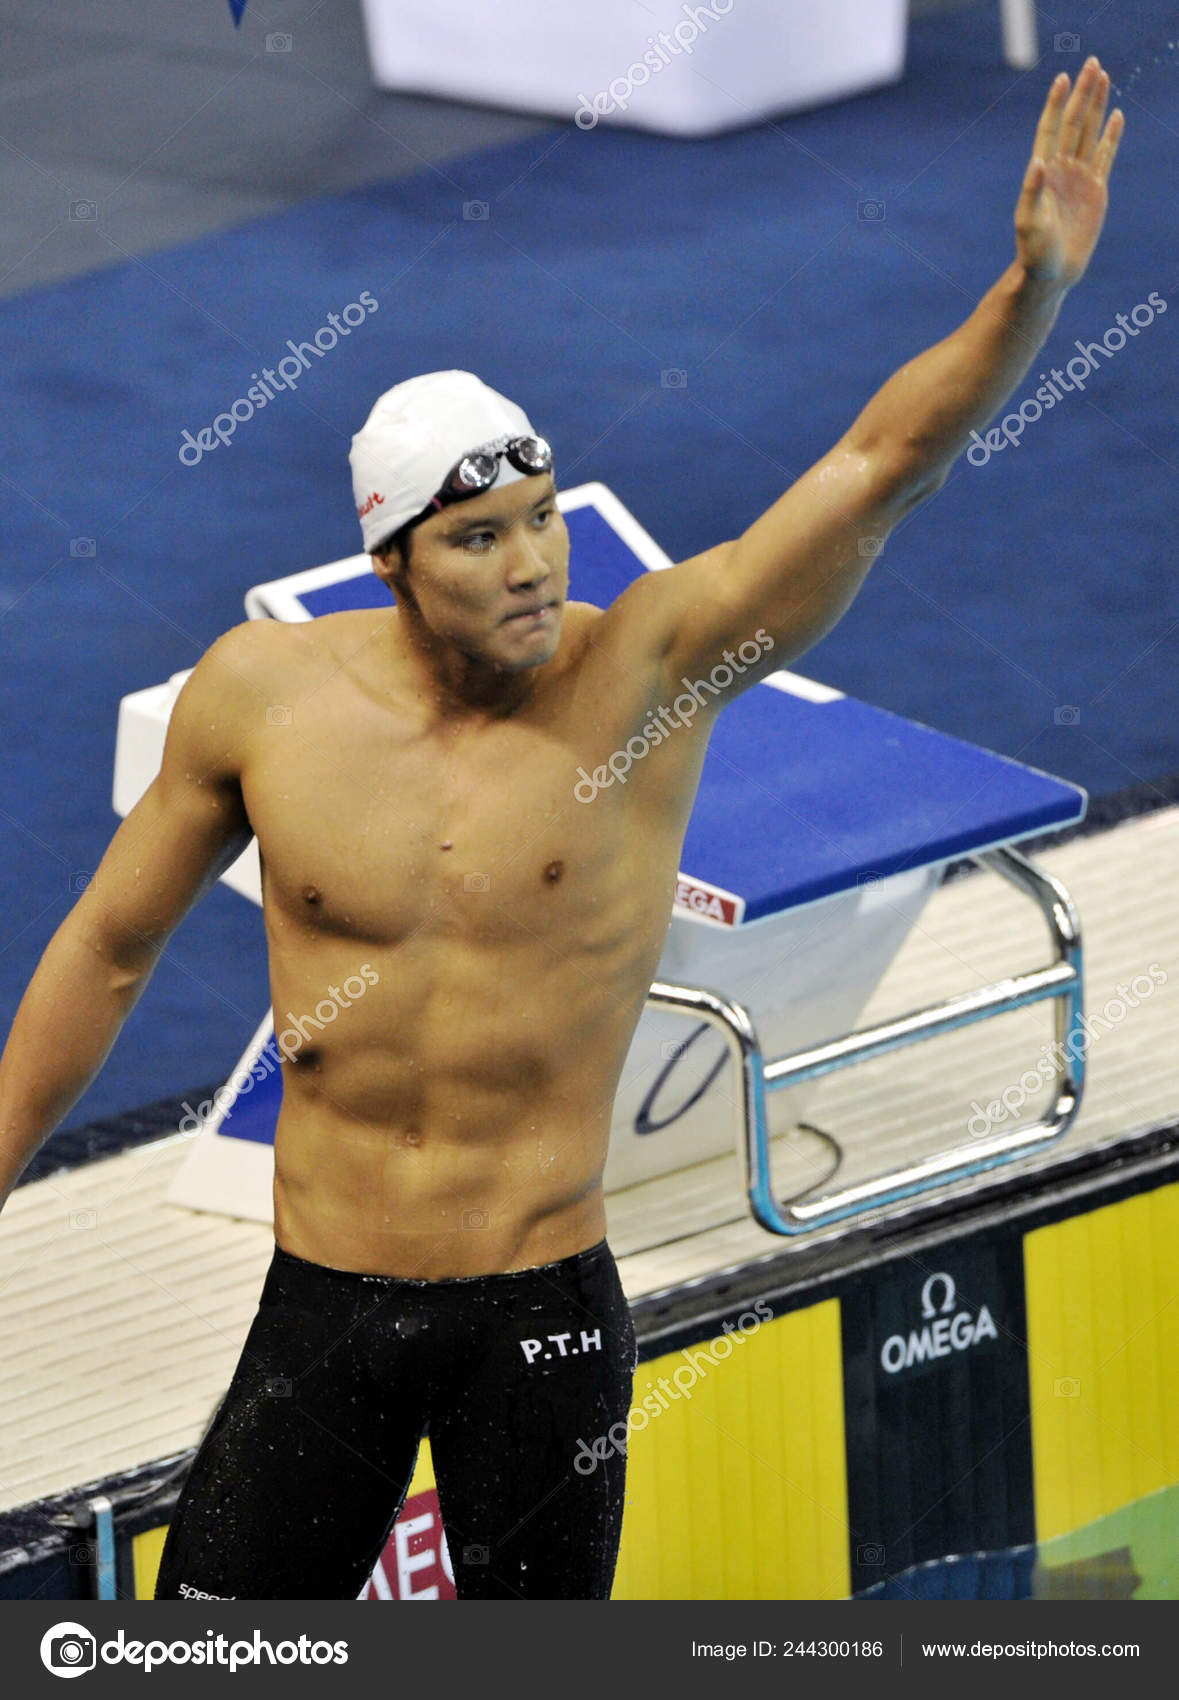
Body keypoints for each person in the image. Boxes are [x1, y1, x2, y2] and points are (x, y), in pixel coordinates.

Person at [0, 61, 1122, 1600]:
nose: (533, 561)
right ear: (389, 559)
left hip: (538, 1313)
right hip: (324, 1299)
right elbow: (110, 950)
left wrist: (1030, 294)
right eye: (478, 538)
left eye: (541, 515)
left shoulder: (646, 675)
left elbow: (875, 475)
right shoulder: (260, 699)